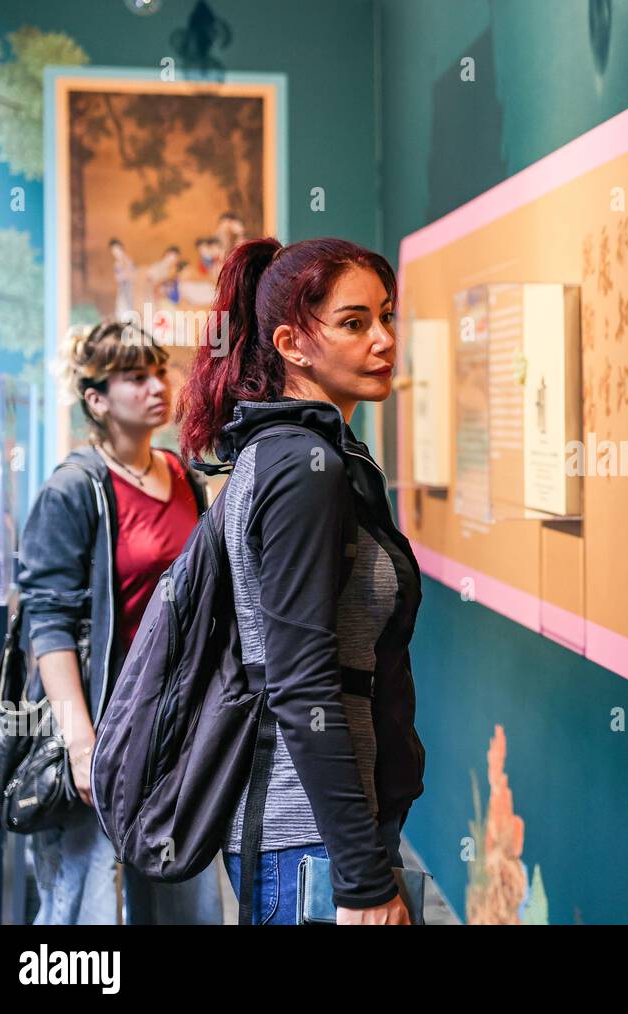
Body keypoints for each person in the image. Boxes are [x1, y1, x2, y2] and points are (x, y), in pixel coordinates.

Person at [176, 236, 425, 925]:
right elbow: (301, 679)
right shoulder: (302, 468)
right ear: (291, 344)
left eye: (387, 316)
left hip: (313, 838)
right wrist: (362, 880)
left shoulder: (294, 454)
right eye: (354, 323)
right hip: (308, 843)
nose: (383, 340)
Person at [16, 320, 224, 924]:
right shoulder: (74, 488)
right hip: (100, 731)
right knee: (86, 917)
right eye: (136, 377)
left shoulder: (185, 476)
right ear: (96, 400)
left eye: (160, 370)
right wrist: (82, 745)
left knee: (191, 905)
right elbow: (47, 623)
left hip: (177, 733)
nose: (158, 386)